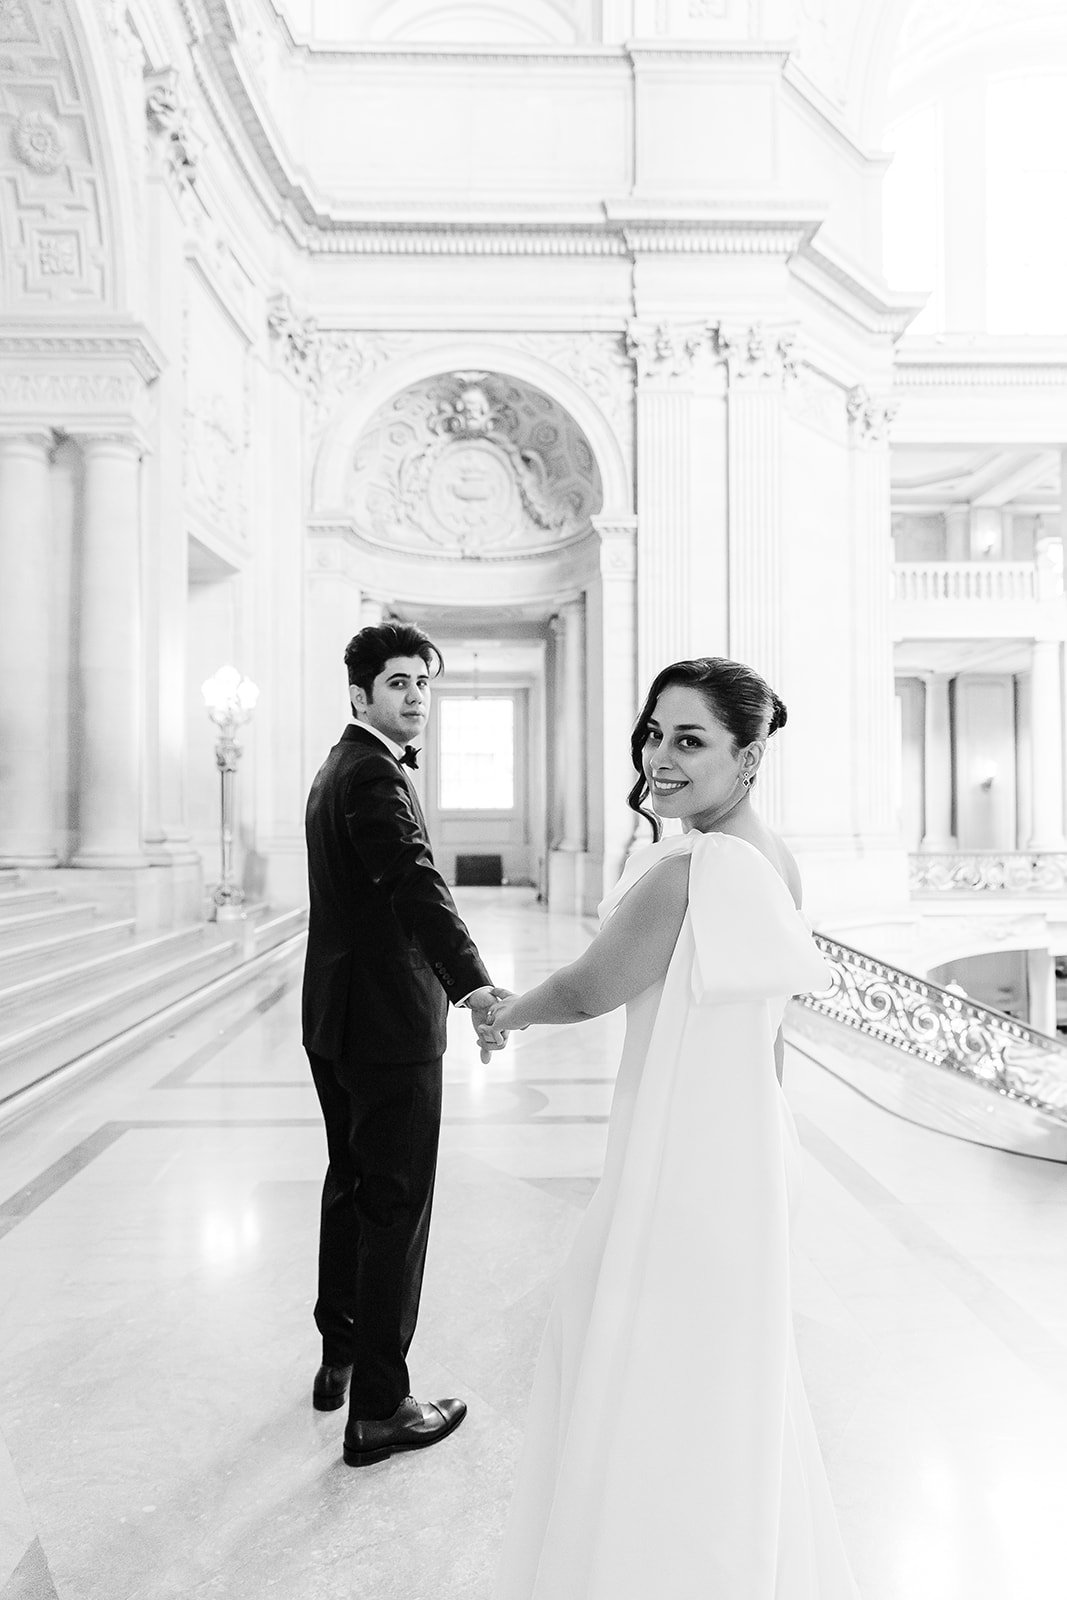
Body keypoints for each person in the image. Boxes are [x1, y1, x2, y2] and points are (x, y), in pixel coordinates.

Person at [482, 657, 859, 1599]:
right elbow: (765, 1028)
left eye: (689, 739)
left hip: (682, 1164)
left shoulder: (693, 867)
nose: (658, 756)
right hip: (748, 1151)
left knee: (639, 1367)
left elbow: (587, 989)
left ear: (749, 754)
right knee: (724, 1382)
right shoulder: (779, 859)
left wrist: (504, 1009)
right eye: (654, 733)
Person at [302, 620, 503, 1468]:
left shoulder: (336, 769)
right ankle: (381, 1409)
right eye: (397, 682)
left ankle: (340, 1353)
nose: (415, 695)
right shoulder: (373, 776)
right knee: (395, 1206)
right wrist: (474, 984)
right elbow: (414, 881)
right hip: (386, 1025)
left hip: (335, 1019)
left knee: (351, 1186)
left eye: (423, 682)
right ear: (359, 694)